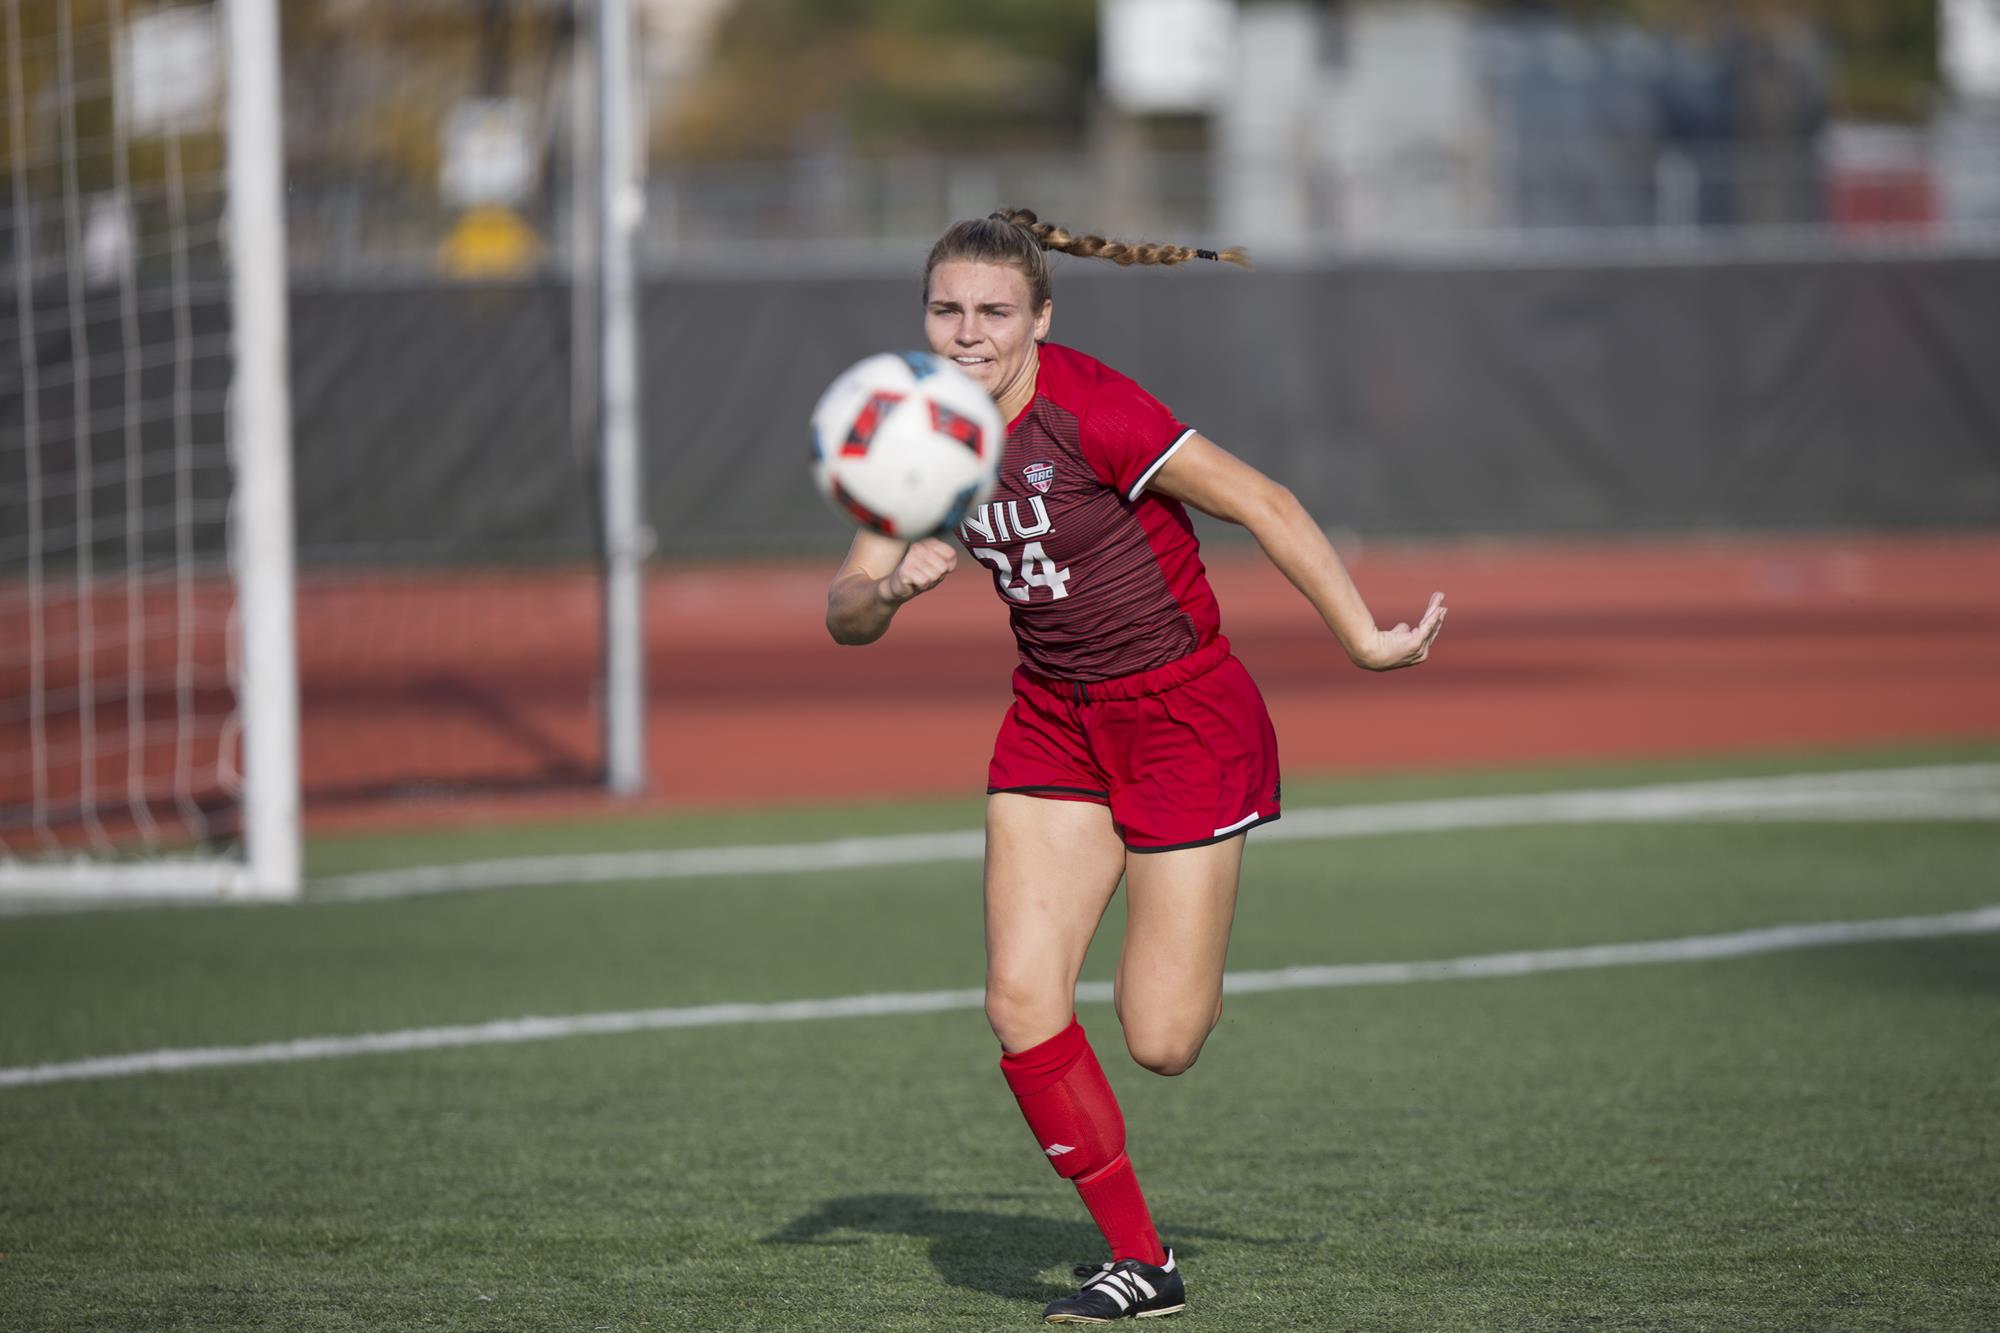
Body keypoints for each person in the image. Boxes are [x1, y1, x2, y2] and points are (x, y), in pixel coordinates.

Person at [824, 210, 1447, 1324]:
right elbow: (844, 609)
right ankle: (1140, 1260)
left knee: (1160, 1038)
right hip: (1053, 719)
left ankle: (1192, 923)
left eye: (993, 312)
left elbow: (1263, 502)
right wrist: (886, 590)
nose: (966, 333)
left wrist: (1361, 638)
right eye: (946, 309)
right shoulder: (914, 424)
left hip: (1180, 714)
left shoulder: (1093, 409)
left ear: (1040, 318)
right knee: (1019, 1001)